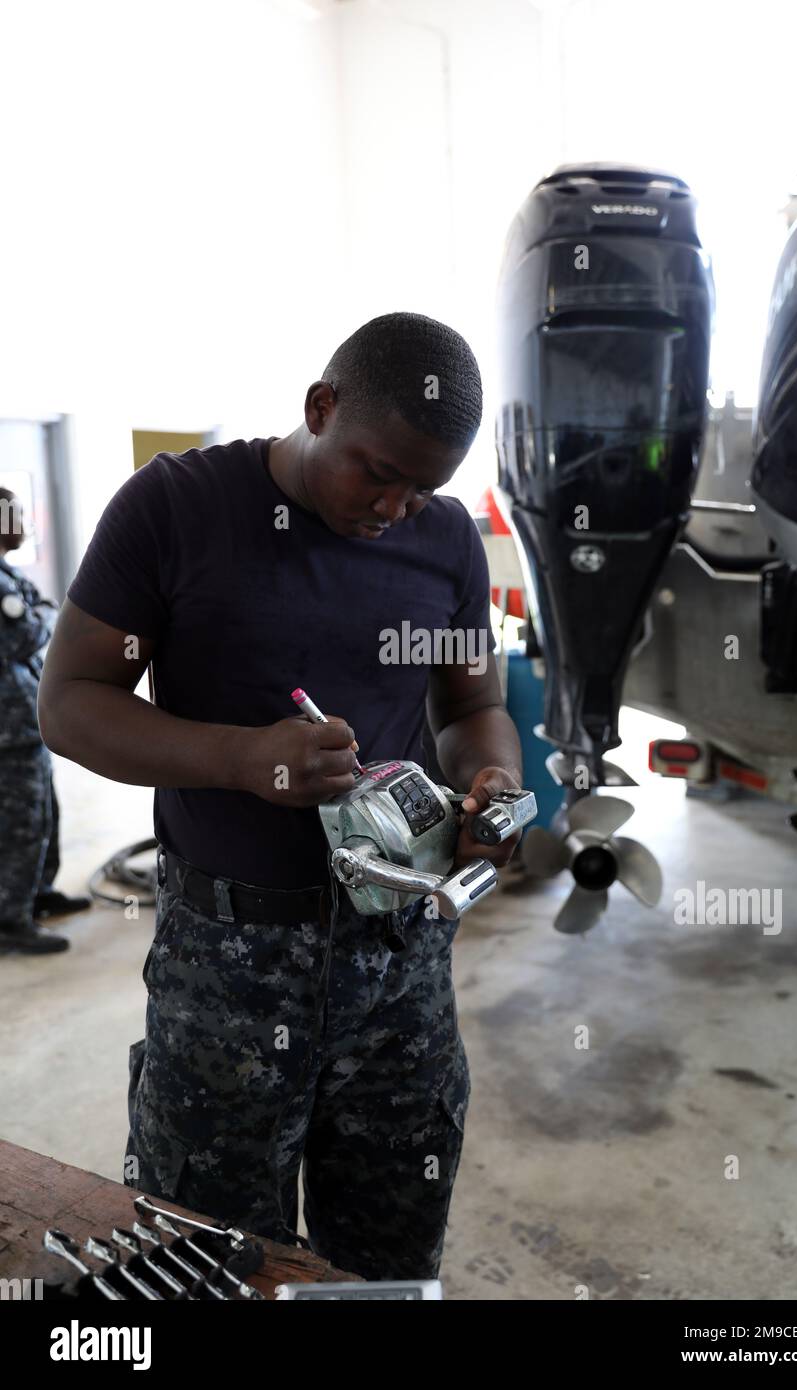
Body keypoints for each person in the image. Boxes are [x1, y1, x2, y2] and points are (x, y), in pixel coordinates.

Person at [38, 311, 524, 1281]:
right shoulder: (174, 509)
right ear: (318, 406)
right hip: (228, 963)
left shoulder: (443, 545)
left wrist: (491, 780)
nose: (392, 507)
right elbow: (71, 704)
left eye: (421, 488)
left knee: (386, 1258)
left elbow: (470, 701)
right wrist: (243, 758)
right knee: (205, 1254)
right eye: (375, 472)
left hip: (396, 963)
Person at [0, 488, 90, 955]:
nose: (24, 523)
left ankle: (37, 894)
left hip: (21, 724)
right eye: (15, 515)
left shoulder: (8, 573)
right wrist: (42, 616)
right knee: (20, 824)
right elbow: (21, 637)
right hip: (7, 730)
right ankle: (10, 919)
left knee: (42, 815)